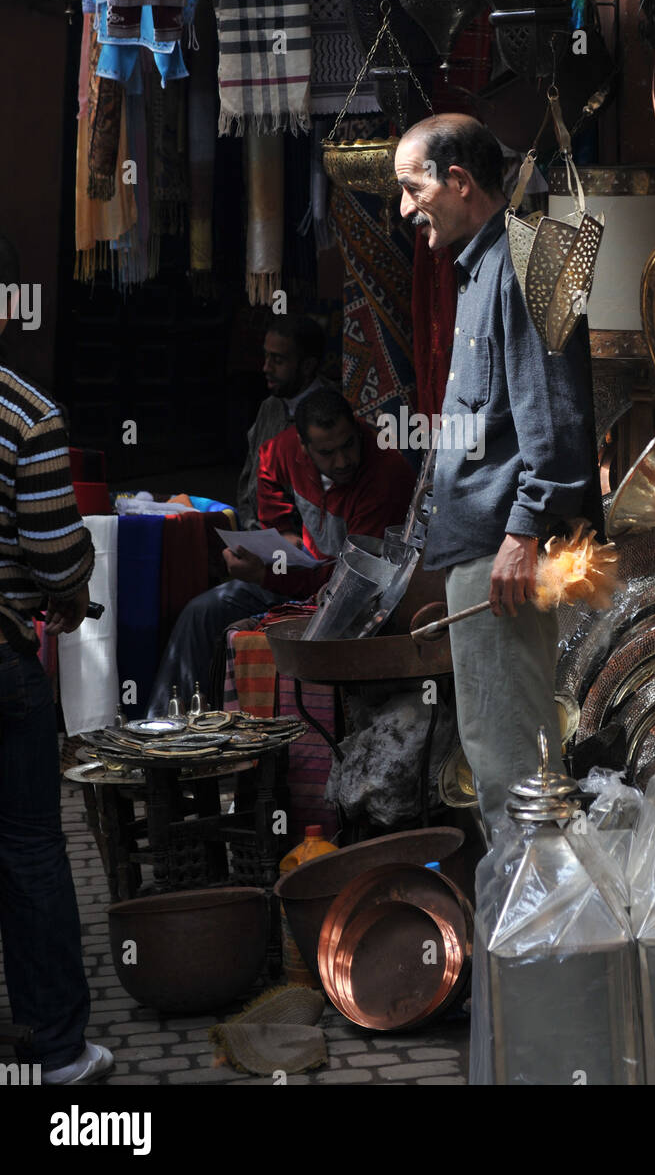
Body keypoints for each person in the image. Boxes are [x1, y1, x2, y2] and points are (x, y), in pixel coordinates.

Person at [394, 114, 603, 841]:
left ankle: (535, 910)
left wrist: (522, 532)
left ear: (457, 181)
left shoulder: (521, 261)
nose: (404, 209)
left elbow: (556, 419)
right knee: (499, 757)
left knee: (513, 768)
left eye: (412, 187)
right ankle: (528, 906)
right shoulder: (484, 267)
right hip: (486, 553)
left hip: (502, 557)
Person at [0, 236, 113, 1084]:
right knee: (30, 846)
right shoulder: (24, 414)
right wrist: (70, 588)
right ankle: (57, 1052)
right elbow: (53, 550)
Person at [146, 389, 416, 715]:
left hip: (349, 597)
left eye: (348, 445)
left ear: (358, 430)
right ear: (303, 446)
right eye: (327, 452)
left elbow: (352, 582)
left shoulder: (385, 475)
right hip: (297, 574)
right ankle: (165, 724)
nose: (342, 461)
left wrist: (266, 575)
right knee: (201, 612)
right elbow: (269, 472)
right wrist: (281, 533)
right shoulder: (283, 450)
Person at [236, 314, 329, 530]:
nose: (266, 368)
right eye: (266, 356)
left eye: (278, 360)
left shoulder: (331, 413)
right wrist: (250, 527)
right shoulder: (270, 407)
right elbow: (247, 482)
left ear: (307, 366)